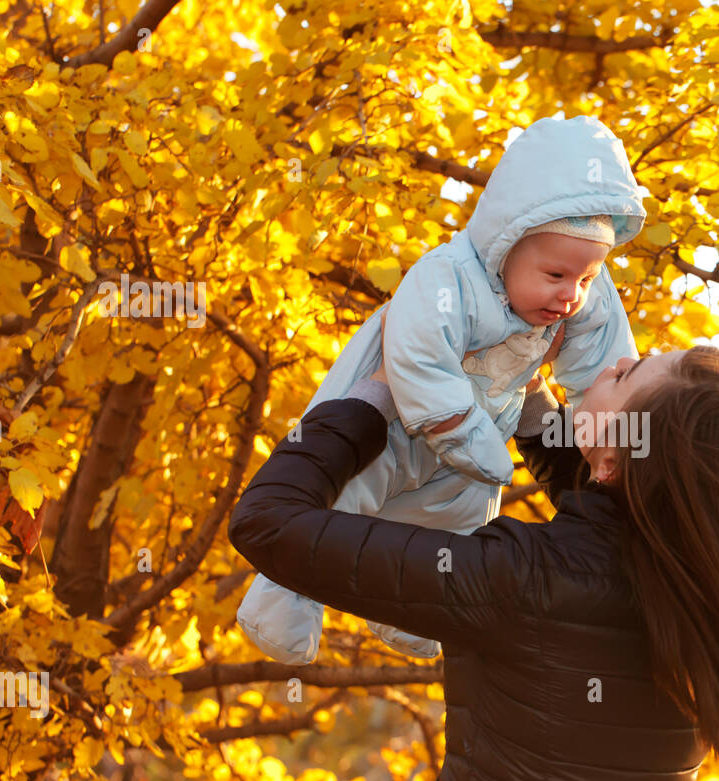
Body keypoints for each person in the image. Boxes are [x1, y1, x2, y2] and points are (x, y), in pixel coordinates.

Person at [228, 338, 719, 781]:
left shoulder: (519, 580)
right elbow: (610, 511)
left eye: (628, 373)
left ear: (618, 459)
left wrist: (364, 406)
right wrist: (525, 392)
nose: (612, 363)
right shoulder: (707, 581)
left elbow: (267, 523)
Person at [236, 114, 646, 663]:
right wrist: (460, 431)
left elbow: (607, 363)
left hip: (484, 431)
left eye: (588, 279)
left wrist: (612, 435)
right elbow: (417, 352)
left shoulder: (579, 285)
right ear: (507, 245)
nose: (572, 294)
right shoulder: (449, 277)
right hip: (392, 422)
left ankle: (413, 615)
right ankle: (279, 610)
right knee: (341, 503)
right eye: (555, 276)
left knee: (458, 518)